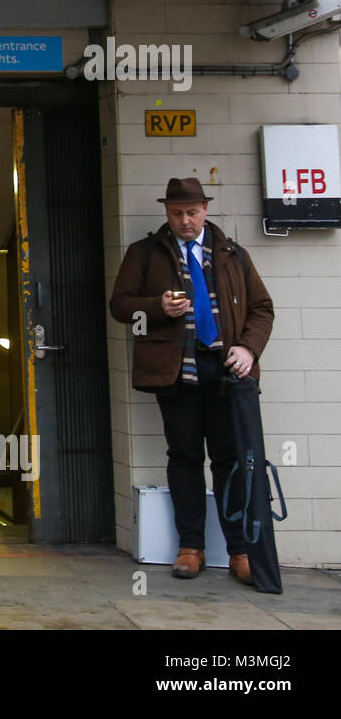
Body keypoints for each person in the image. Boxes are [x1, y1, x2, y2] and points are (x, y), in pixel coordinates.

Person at [109, 178, 274, 583]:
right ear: (167, 212)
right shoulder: (144, 253)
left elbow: (262, 309)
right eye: (177, 213)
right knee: (183, 458)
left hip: (226, 373)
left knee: (230, 461)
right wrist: (157, 306)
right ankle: (190, 548)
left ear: (205, 209)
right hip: (176, 374)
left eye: (192, 212)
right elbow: (120, 306)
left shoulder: (233, 253)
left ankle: (240, 552)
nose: (185, 220)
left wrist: (248, 349)